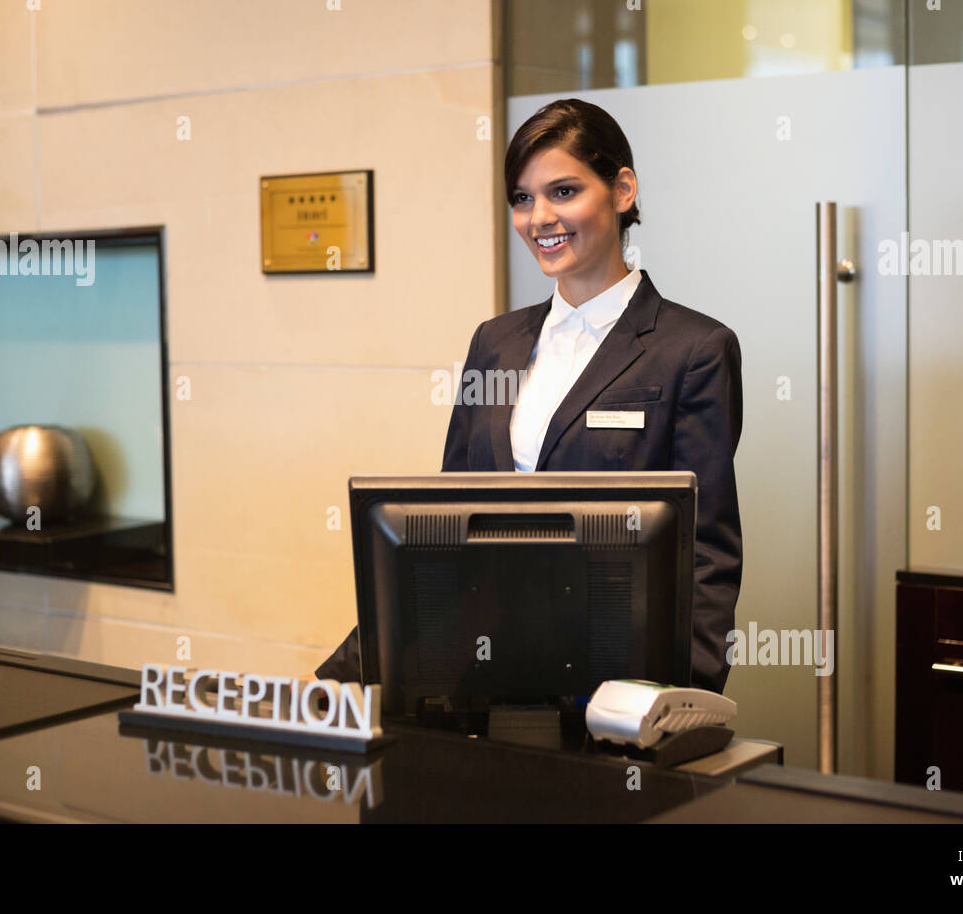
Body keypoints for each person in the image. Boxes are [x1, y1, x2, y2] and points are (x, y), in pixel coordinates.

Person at [317, 98, 743, 693]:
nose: (539, 217)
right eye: (522, 198)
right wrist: (342, 678)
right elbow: (438, 531)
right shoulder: (494, 343)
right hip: (479, 677)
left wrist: (679, 701)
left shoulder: (693, 349)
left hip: (618, 684)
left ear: (622, 191)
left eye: (563, 192)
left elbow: (707, 555)